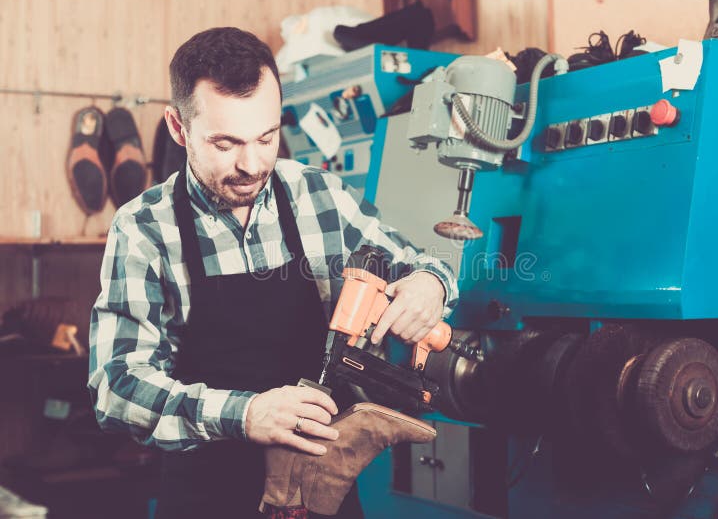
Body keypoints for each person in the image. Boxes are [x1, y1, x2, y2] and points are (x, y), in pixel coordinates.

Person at [87, 27, 458, 518]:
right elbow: (116, 387)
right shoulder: (143, 229)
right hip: (208, 499)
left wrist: (430, 284)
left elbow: (419, 261)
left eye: (266, 137)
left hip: (321, 496)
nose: (251, 163)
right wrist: (244, 414)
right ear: (178, 129)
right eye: (225, 143)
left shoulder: (317, 194)